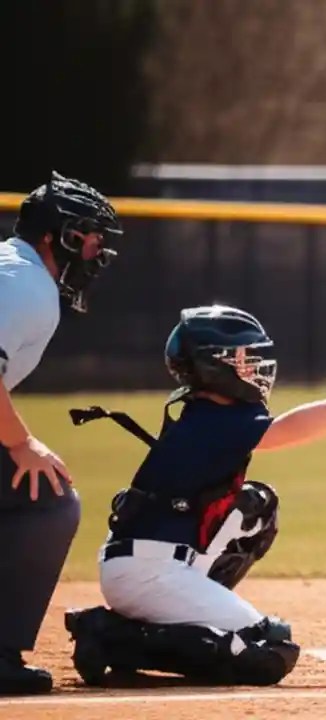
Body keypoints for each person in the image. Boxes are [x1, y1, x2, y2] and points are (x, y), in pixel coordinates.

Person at [64, 304, 326, 686]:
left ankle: (136, 624)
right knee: (268, 651)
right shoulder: (217, 419)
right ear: (215, 366)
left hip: (151, 566)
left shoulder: (207, 413)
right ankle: (110, 637)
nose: (253, 366)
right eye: (243, 358)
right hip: (150, 574)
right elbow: (288, 431)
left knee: (256, 508)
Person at [0, 172, 120, 695]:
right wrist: (20, 442)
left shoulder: (14, 269)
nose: (97, 247)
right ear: (57, 236)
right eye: (89, 233)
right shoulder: (28, 285)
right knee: (47, 499)